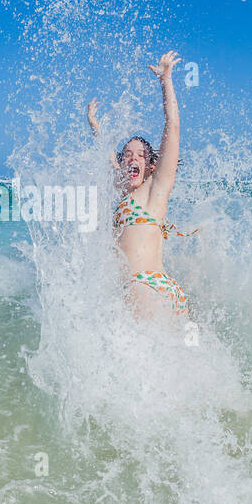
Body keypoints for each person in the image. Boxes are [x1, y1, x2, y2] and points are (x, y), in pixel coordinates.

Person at [87, 51, 192, 319]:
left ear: (151, 167)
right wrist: (95, 127)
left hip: (148, 285)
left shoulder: (154, 189)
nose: (132, 158)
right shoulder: (125, 191)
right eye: (127, 156)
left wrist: (165, 80)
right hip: (140, 289)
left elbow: (173, 127)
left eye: (140, 155)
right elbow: (107, 155)